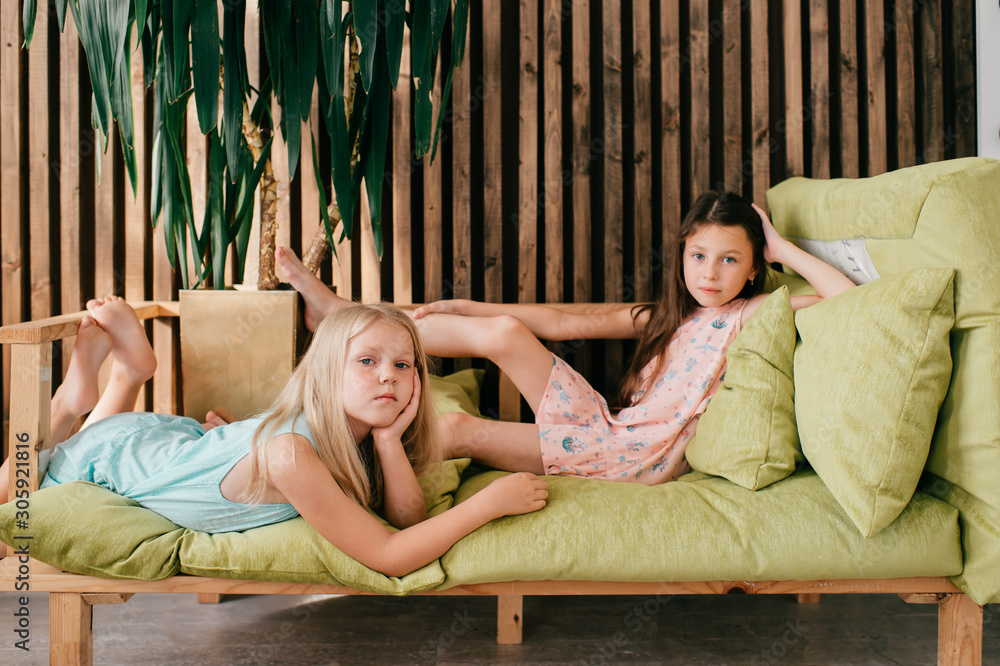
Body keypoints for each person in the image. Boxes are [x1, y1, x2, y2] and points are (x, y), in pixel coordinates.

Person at [278, 191, 856, 485]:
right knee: (505, 331)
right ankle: (342, 315)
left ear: (752, 269)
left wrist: (779, 248)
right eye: (698, 255)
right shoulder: (672, 315)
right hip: (608, 426)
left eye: (730, 260)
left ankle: (322, 464)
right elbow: (563, 321)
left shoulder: (754, 312)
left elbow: (849, 300)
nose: (709, 273)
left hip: (633, 457)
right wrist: (472, 308)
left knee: (455, 429)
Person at [0, 297, 548, 577]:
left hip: (176, 443)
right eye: (367, 361)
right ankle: (78, 397)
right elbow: (390, 553)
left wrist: (387, 443)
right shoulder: (292, 454)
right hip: (117, 453)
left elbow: (407, 516)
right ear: (325, 372)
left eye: (405, 365)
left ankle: (120, 378)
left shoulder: (360, 436)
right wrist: (489, 504)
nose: (390, 375)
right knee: (11, 506)